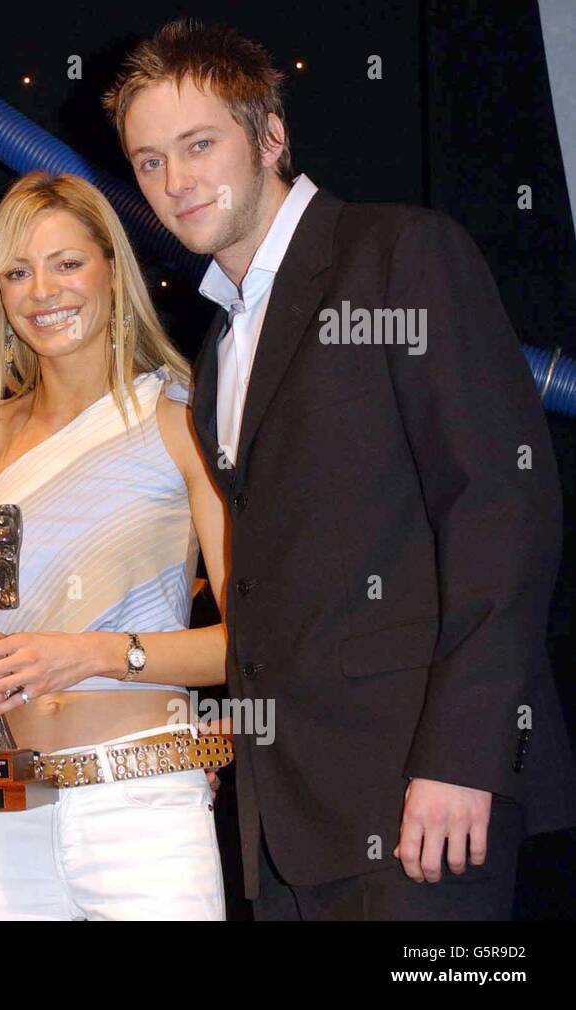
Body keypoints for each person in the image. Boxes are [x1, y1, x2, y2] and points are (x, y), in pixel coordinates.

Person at [104, 17, 576, 919]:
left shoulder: (399, 255)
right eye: (150, 160)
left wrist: (463, 758)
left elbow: (500, 512)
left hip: (421, 806)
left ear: (271, 135)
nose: (176, 181)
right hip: (286, 827)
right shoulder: (221, 341)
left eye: (199, 144)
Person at [0, 171, 233, 920]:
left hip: (145, 802)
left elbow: (252, 645)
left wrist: (97, 653)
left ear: (112, 270)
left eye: (67, 263)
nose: (43, 290)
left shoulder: (183, 422)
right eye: (17, 271)